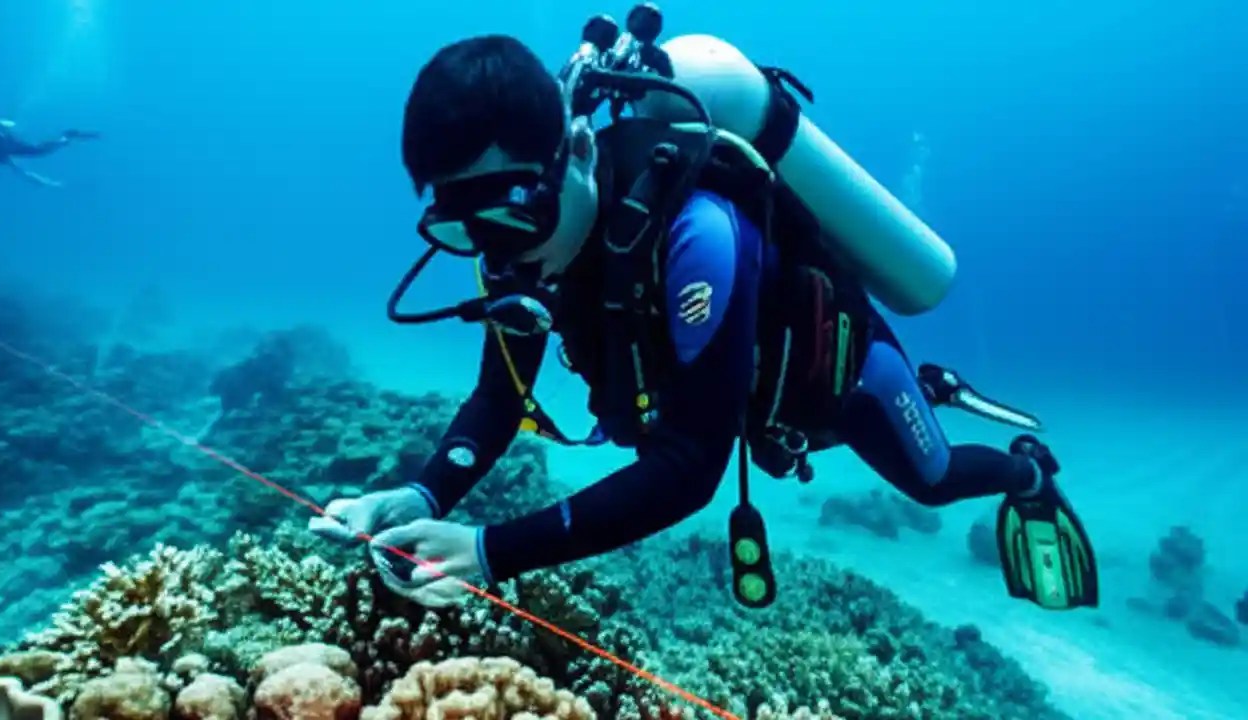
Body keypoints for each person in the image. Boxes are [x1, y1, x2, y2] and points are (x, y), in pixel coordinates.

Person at [312, 27, 1097, 612]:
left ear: (579, 150)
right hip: (720, 388)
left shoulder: (696, 234)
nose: (499, 256)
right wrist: (421, 500)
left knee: (932, 481)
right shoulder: (510, 234)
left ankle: (1029, 472)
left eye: (514, 223)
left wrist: (490, 552)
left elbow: (690, 469)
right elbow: (498, 398)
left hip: (836, 381)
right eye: (463, 232)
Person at [0, 109, 99, 187]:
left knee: (36, 152)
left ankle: (65, 138)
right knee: (34, 154)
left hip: (3, 146)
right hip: (1, 146)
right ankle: (65, 139)